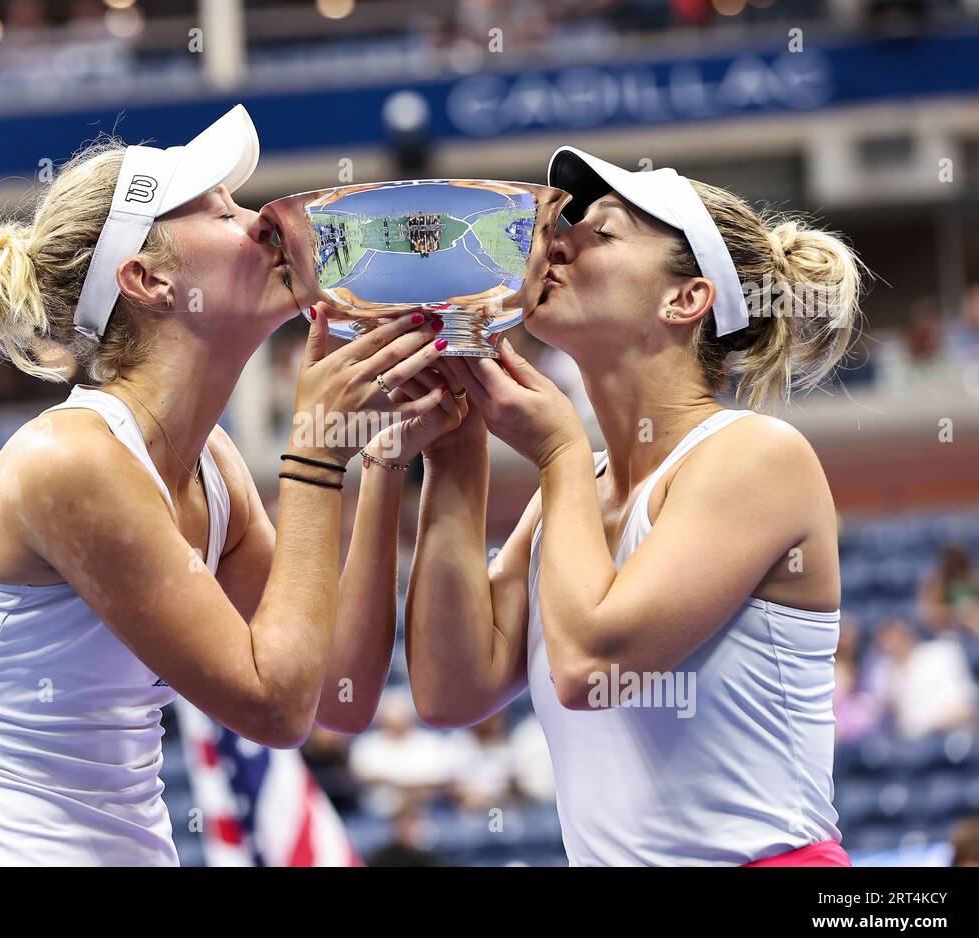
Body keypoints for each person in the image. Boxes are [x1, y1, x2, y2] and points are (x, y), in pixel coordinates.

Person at [0, 106, 457, 865]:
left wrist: (379, 462)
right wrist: (312, 455)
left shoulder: (215, 462)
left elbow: (339, 689)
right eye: (218, 210)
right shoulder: (68, 460)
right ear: (147, 279)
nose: (265, 221)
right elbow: (273, 708)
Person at [357, 146, 866, 865]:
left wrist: (560, 451)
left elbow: (589, 668)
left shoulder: (758, 455)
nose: (553, 239)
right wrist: (456, 446)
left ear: (684, 299)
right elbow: (449, 690)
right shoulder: (570, 489)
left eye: (602, 231)